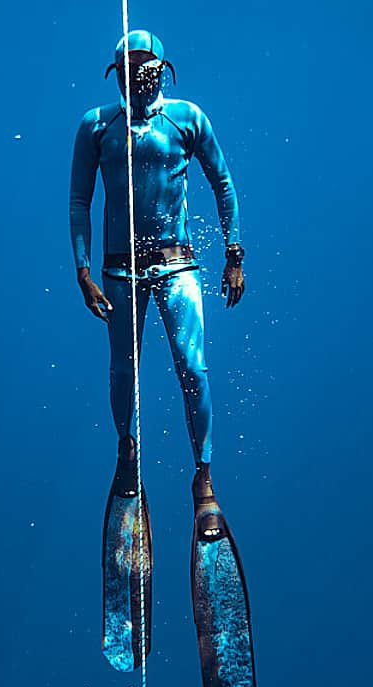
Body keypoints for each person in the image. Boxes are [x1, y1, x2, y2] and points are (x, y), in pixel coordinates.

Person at [69, 29, 244, 535]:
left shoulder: (186, 118)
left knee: (193, 367)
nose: (136, 82)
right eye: (126, 73)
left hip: (177, 265)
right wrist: (82, 269)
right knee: (124, 371)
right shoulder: (98, 126)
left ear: (163, 73)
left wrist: (234, 253)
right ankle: (127, 451)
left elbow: (222, 182)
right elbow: (80, 200)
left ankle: (204, 478)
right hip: (119, 271)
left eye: (146, 71)